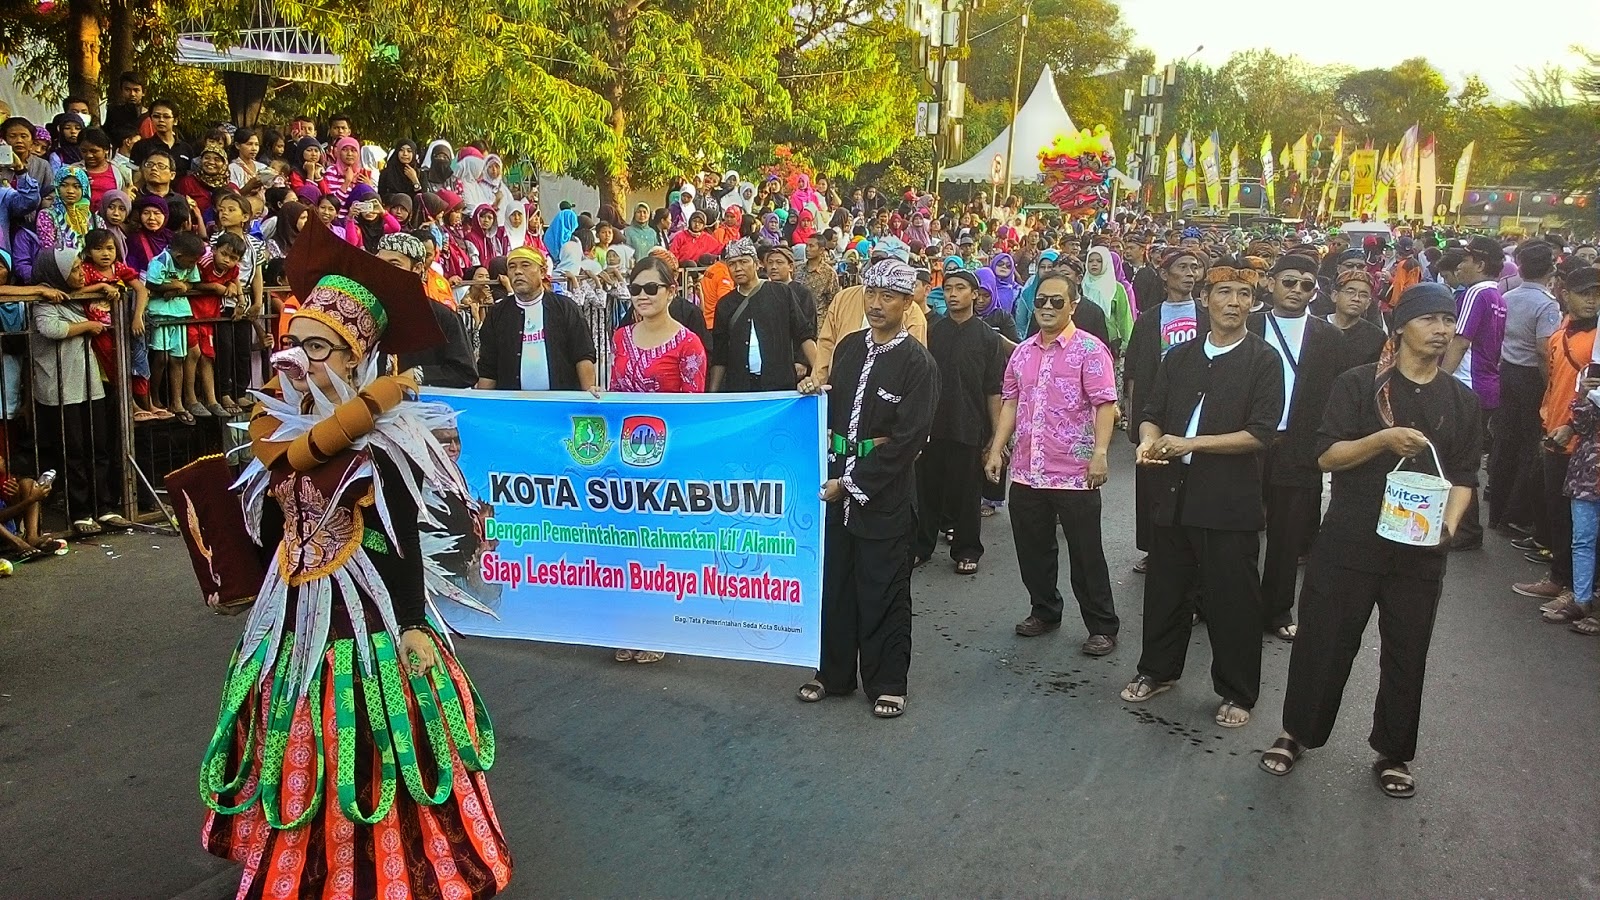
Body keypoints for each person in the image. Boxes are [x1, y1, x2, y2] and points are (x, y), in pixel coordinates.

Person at [197, 216, 512, 896]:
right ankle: (301, 860)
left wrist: (410, 626)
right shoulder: (279, 423)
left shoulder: (388, 438)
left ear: (352, 357)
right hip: (295, 599)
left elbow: (399, 539)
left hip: (366, 608)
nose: (300, 360)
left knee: (371, 726)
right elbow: (269, 520)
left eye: (318, 347)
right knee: (293, 710)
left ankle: (390, 868)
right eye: (294, 344)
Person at [1262, 282, 1482, 799]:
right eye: (1429, 319)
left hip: (1420, 550)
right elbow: (1326, 456)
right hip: (1350, 539)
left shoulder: (1461, 401)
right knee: (1325, 640)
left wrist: (1446, 530)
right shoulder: (1359, 386)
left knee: (1408, 649)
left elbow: (1466, 478)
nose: (1442, 330)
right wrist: (1382, 440)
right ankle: (1297, 733)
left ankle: (1394, 752)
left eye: (1448, 321)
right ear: (1401, 326)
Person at [1122, 259, 1284, 729]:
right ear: (1206, 300)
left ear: (1253, 304)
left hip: (1228, 499)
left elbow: (1260, 433)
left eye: (1243, 295)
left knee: (1232, 599)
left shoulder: (1263, 360)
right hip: (1172, 493)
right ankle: (1157, 670)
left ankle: (1237, 690)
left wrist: (1191, 444)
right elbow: (1151, 411)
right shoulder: (1181, 356)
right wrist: (1150, 441)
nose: (1234, 302)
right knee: (1166, 589)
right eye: (1225, 293)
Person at [795, 258, 938, 719]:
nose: (876, 305)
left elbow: (907, 443)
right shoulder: (851, 347)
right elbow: (832, 404)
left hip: (884, 494)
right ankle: (832, 674)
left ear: (907, 301)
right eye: (870, 295)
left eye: (889, 297)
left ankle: (887, 681)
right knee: (835, 583)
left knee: (884, 588)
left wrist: (852, 483)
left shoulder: (918, 364)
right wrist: (809, 393)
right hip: (835, 487)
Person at [989, 270, 1120, 655]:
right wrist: (997, 448)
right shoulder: (1022, 351)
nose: (1047, 308)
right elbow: (1010, 402)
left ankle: (1102, 625)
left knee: (1086, 553)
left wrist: (1100, 454)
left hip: (1075, 474)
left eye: (1056, 301)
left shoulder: (1091, 350)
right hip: (1029, 472)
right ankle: (1044, 611)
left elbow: (1104, 404)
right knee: (1033, 548)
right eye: (1041, 301)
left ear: (1073, 305)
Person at [1251, 254, 1347, 641]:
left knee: (1287, 535)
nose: (1297, 291)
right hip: (1248, 442)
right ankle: (1215, 599)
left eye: (1307, 285)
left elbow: (1335, 396)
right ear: (1270, 283)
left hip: (1300, 445)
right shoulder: (1250, 324)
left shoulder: (1329, 336)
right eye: (1289, 282)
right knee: (1232, 528)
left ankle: (1277, 609)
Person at [28, 249, 131, 537]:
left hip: (89, 382)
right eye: (74, 270)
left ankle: (105, 505)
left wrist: (99, 287)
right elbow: (50, 328)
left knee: (98, 445)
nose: (81, 274)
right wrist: (88, 326)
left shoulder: (76, 297)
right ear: (57, 275)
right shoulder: (44, 300)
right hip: (61, 387)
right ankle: (80, 511)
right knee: (73, 450)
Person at [913, 268, 1004, 574]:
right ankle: (921, 546)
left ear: (975, 295)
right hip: (933, 425)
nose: (953, 294)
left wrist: (995, 437)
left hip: (969, 426)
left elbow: (994, 389)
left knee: (967, 493)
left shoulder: (987, 338)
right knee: (926, 490)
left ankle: (967, 549)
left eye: (960, 288)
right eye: (948, 288)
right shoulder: (933, 331)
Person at [1122, 248, 1207, 573]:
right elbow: (1134, 370)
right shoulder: (1149, 319)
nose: (1190, 273)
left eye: (1195, 268)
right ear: (1164, 274)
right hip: (1157, 406)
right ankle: (1153, 548)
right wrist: (1132, 411)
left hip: (1196, 404)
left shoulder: (1205, 315)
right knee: (1153, 481)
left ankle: (1191, 546)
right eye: (1182, 267)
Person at [1521, 267, 1600, 610]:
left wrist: (1570, 424)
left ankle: (1575, 587)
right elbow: (1554, 383)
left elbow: (1592, 396)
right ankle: (1557, 578)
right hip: (1554, 434)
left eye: (1597, 294)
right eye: (1585, 293)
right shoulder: (1560, 334)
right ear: (1566, 294)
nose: (1592, 300)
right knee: (1556, 512)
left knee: (1577, 522)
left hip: (1582, 442)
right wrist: (1546, 421)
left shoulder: (1598, 339)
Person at [1435, 238, 1506, 550]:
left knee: (1457, 460)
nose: (1459, 266)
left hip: (1467, 384)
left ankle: (1464, 529)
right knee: (1465, 457)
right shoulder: (1497, 295)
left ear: (1480, 263)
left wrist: (1439, 379)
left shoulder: (1476, 292)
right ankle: (1464, 526)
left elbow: (1460, 341)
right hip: (1486, 382)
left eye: (1464, 260)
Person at [1489, 242, 1560, 534]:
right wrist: (1551, 386)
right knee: (1528, 447)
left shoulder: (1507, 296)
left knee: (1504, 441)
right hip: (1532, 377)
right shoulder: (1547, 304)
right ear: (1551, 269)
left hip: (1506, 371)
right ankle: (1513, 515)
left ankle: (1496, 510)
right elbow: (1544, 351)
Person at [475, 246, 600, 393]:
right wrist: (483, 406)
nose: (518, 271)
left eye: (525, 265)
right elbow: (488, 366)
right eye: (512, 267)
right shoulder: (498, 313)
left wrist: (589, 396)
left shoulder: (565, 307)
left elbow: (583, 354)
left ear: (542, 272)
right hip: (513, 407)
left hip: (559, 405)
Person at [708, 239, 818, 392]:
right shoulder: (725, 305)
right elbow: (720, 355)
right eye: (732, 264)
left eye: (743, 262)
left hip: (779, 386)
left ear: (756, 264)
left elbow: (804, 334)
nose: (738, 268)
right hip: (740, 388)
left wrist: (819, 374)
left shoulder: (781, 293)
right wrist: (712, 395)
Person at [375, 231, 479, 389]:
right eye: (379, 263)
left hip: (424, 409)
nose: (384, 270)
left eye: (395, 264)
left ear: (416, 268)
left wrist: (417, 374)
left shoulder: (443, 318)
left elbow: (465, 373)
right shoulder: (367, 313)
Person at [813, 241, 928, 383]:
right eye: (878, 261)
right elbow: (826, 344)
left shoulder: (914, 314)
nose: (883, 269)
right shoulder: (844, 298)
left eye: (891, 265)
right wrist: (818, 384)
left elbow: (913, 366)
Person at [1326, 269, 1387, 367]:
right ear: (1335, 296)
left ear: (1368, 303)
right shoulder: (1314, 327)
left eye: (1363, 295)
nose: (1356, 299)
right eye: (1350, 292)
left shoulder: (1376, 337)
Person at [1081, 246, 1135, 356]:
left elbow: (1124, 317)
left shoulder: (1116, 288)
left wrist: (1127, 342)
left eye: (1099, 261)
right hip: (1084, 340)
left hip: (1111, 342)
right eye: (1091, 261)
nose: (1094, 264)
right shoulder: (1081, 286)